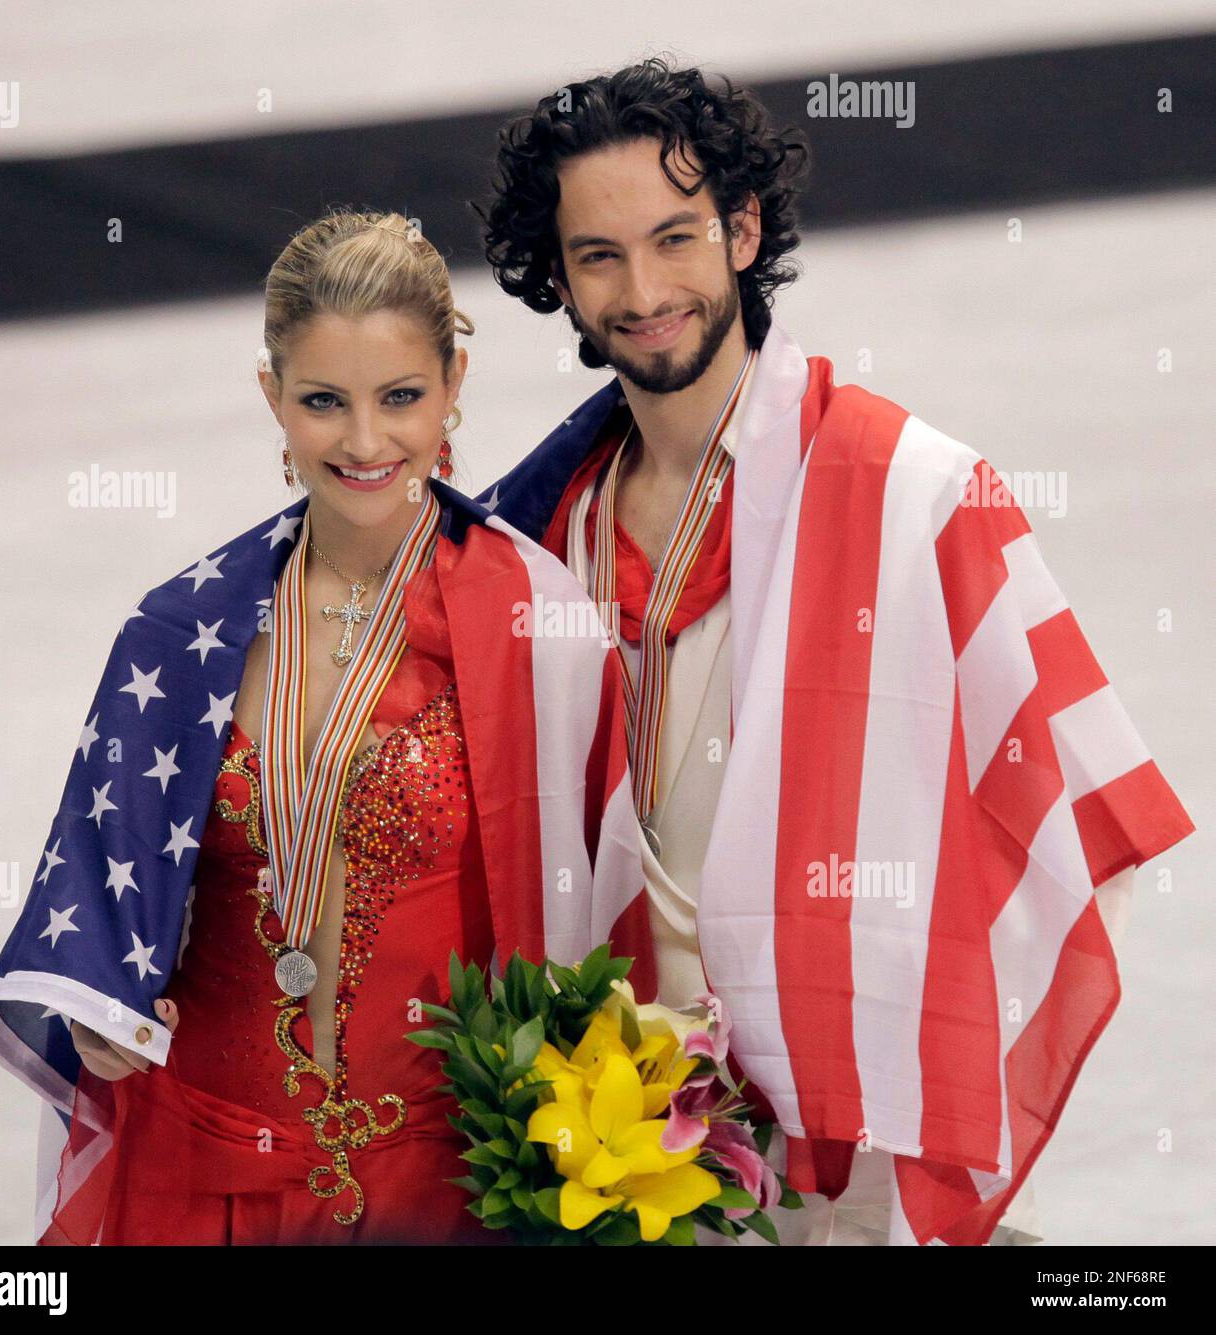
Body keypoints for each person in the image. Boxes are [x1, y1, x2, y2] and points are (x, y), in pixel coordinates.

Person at [473, 58, 1195, 1246]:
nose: (644, 289)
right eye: (598, 256)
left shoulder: (919, 497)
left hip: (847, 1170)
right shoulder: (541, 539)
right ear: (556, 276)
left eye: (675, 238)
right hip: (609, 1163)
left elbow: (1084, 834)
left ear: (744, 228)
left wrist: (907, 1067)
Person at [0, 208, 656, 1246]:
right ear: (272, 397)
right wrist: (98, 1018)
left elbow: (604, 920)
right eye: (325, 401)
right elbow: (108, 922)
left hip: (446, 1186)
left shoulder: (537, 625)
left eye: (401, 398)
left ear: (453, 389)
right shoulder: (180, 634)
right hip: (203, 1168)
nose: (366, 440)